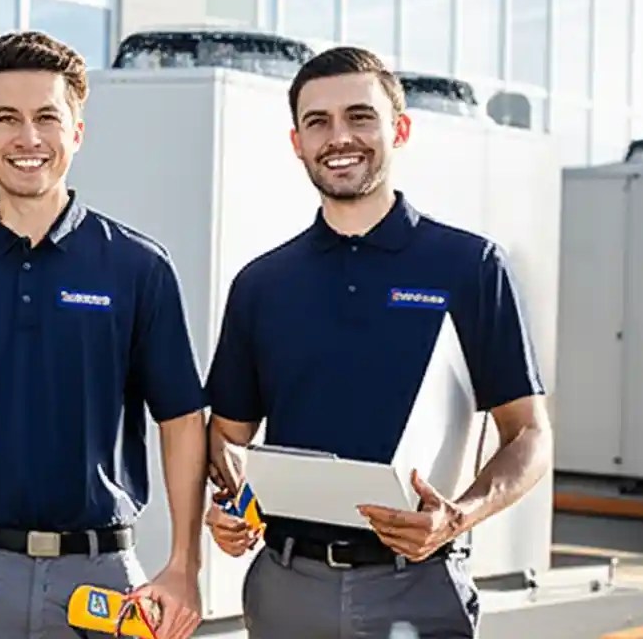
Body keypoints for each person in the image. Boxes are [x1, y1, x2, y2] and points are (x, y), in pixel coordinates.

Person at [203, 46, 553, 638]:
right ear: (297, 144)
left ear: (401, 128)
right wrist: (232, 510)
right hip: (287, 589)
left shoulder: (468, 266)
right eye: (318, 122)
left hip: (418, 586)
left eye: (360, 117)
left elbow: (530, 434)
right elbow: (227, 439)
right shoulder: (263, 284)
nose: (340, 137)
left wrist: (459, 515)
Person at [0, 30, 207, 639]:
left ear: (77, 131)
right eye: (8, 119)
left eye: (48, 118)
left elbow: (181, 422)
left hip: (100, 579)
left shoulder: (138, 269)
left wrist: (185, 564)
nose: (29, 139)